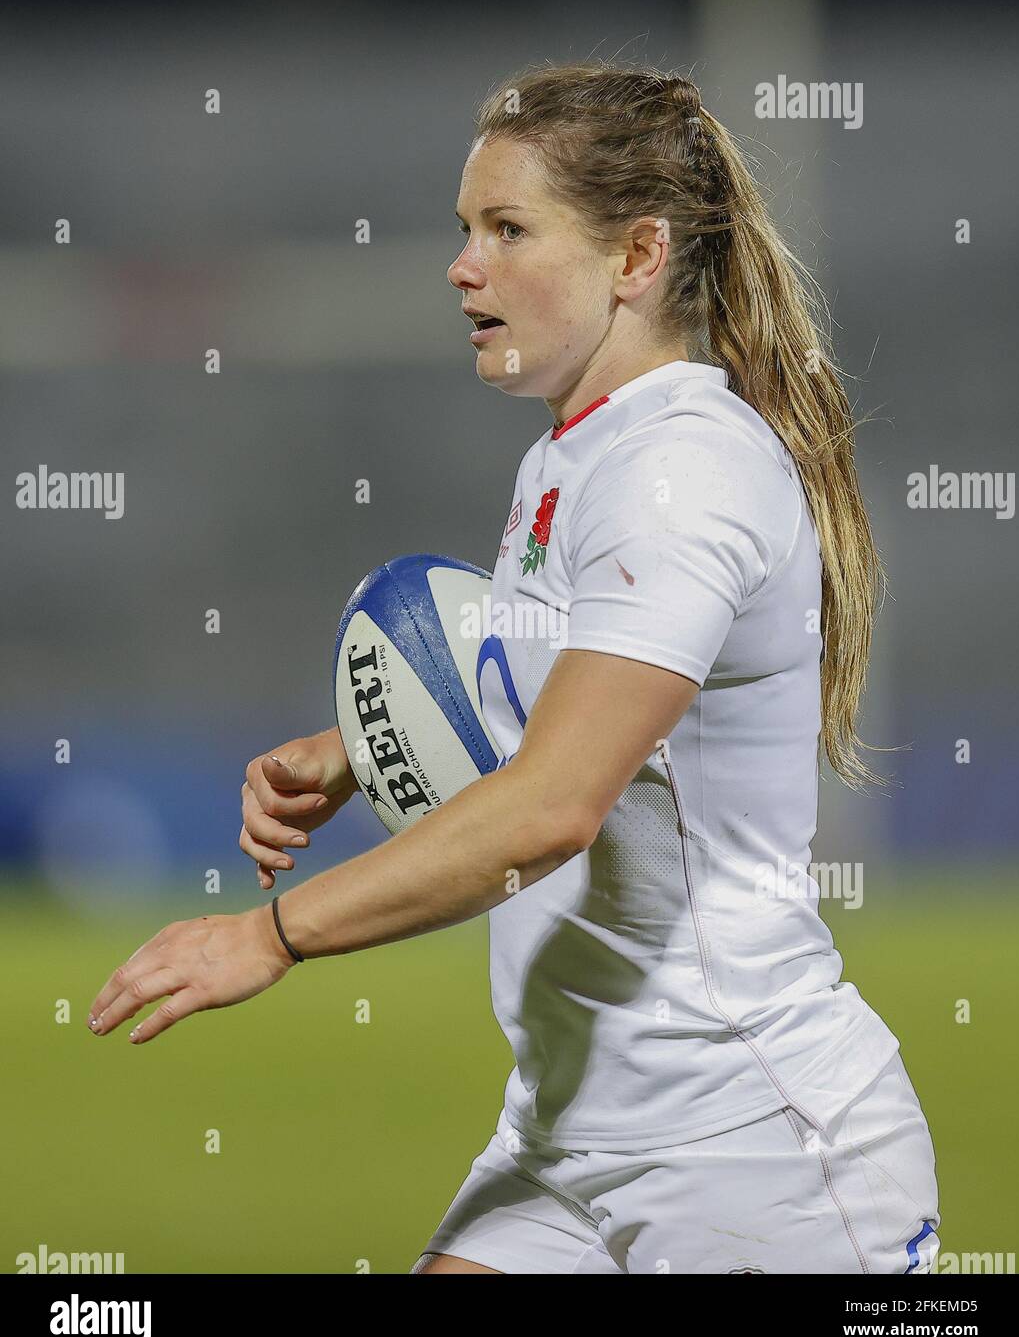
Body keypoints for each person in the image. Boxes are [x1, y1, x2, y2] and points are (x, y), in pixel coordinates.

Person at [87, 61, 940, 1275]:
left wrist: (270, 936)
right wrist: (361, 747)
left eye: (506, 229)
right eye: (462, 230)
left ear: (635, 258)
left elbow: (551, 803)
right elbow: (554, 693)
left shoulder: (677, 472)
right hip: (567, 1133)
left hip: (752, 1149)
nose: (461, 265)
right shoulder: (572, 455)